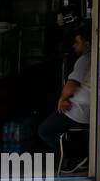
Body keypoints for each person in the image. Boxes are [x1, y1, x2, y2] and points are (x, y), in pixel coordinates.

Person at [39, 23, 93, 172]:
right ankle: (79, 155)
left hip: (79, 109)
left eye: (77, 42)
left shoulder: (85, 60)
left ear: (87, 44)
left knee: (45, 130)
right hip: (89, 107)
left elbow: (72, 84)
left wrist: (62, 99)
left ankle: (78, 155)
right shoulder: (97, 57)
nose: (74, 46)